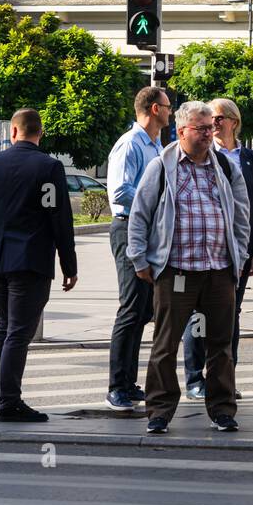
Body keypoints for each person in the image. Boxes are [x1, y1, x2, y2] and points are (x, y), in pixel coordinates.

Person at [128, 101, 251, 435]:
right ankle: (159, 410)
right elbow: (140, 213)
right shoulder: (162, 166)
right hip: (177, 270)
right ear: (182, 131)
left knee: (221, 345)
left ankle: (222, 409)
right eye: (202, 129)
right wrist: (139, 258)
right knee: (165, 344)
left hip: (219, 269)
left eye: (211, 127)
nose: (209, 134)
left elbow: (242, 214)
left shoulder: (224, 166)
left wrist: (238, 257)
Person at [0, 108, 78, 423]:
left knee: (3, 327)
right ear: (40, 133)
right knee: (19, 332)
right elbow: (58, 217)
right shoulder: (48, 167)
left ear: (13, 132)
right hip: (30, 261)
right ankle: (9, 402)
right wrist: (68, 264)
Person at [183, 98, 253, 401]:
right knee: (198, 314)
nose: (213, 124)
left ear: (233, 121)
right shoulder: (203, 155)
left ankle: (225, 379)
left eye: (219, 118)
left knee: (231, 315)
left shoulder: (250, 158)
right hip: (206, 248)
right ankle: (195, 379)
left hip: (239, 251)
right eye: (209, 120)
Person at [104, 86, 172, 411]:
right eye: (168, 107)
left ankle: (130, 384)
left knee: (144, 311)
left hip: (148, 231)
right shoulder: (130, 144)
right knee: (130, 309)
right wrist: (156, 203)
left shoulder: (156, 145)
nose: (171, 112)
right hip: (128, 228)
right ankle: (117, 386)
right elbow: (119, 191)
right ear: (154, 109)